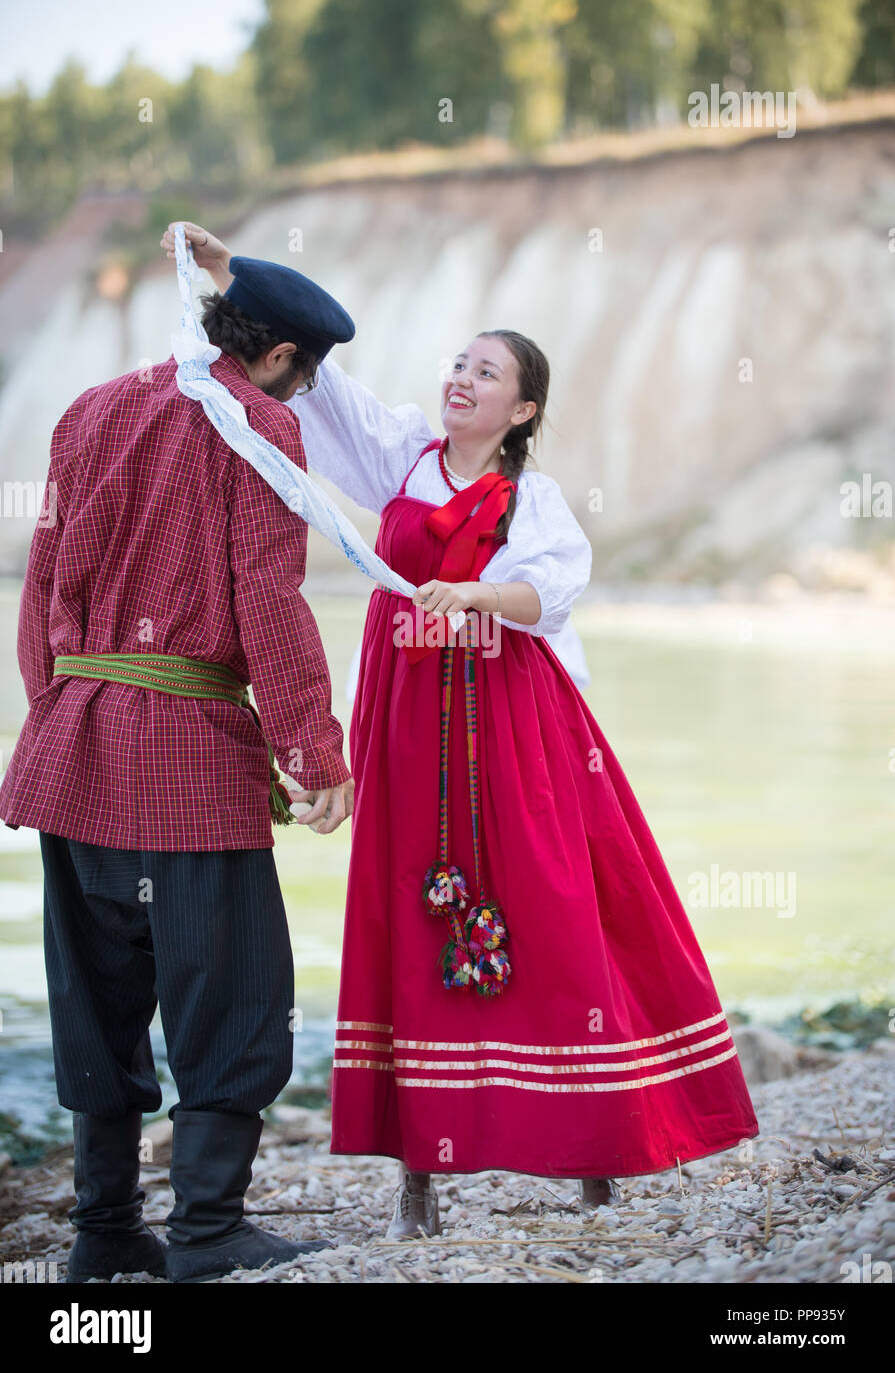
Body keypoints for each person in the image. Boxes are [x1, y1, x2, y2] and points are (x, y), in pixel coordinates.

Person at [163, 223, 760, 1242]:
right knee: (409, 917)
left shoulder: (533, 496)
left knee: (557, 916)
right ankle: (417, 1182)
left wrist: (477, 589)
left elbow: (552, 589)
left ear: (522, 407)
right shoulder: (402, 455)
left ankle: (593, 1157)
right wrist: (229, 275)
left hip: (515, 732)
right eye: (457, 363)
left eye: (486, 373)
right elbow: (325, 377)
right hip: (408, 726)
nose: (461, 379)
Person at [0, 255, 357, 1282]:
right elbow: (269, 598)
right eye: (303, 374)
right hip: (188, 756)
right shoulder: (257, 424)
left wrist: (59, 716)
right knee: (237, 995)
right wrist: (310, 749)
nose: (299, 396)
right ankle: (206, 1229)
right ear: (278, 354)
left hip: (71, 742)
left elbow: (41, 588)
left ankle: (102, 1231)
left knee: (94, 998)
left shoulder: (92, 408)